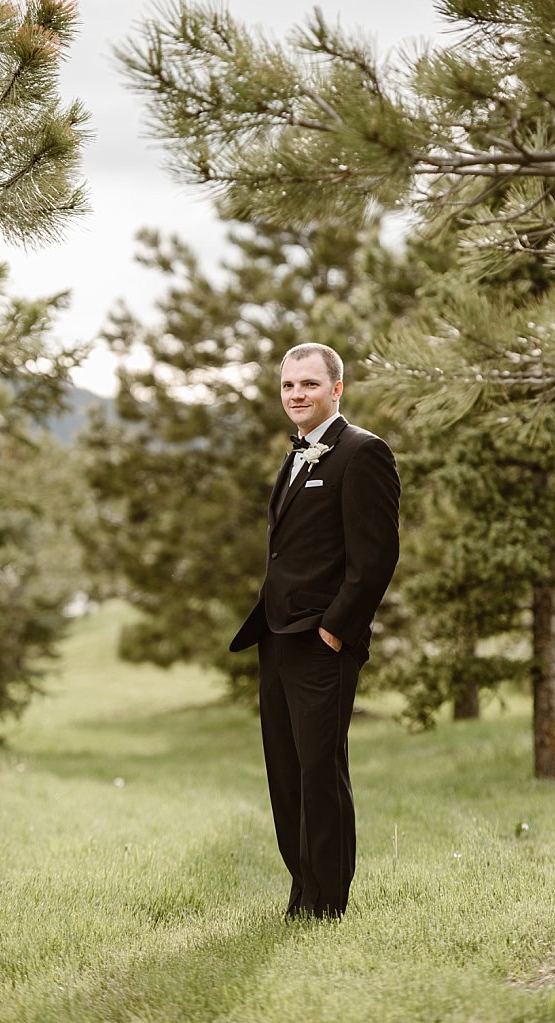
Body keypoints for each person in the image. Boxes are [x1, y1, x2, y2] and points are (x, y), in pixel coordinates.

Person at [229, 341, 400, 920]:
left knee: (320, 770)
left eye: (308, 384)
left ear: (336, 390)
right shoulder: (295, 454)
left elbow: (375, 558)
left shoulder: (363, 453)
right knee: (285, 771)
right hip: (277, 638)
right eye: (288, 386)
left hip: (322, 641)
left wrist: (336, 630)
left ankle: (326, 903)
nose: (297, 394)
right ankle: (301, 891)